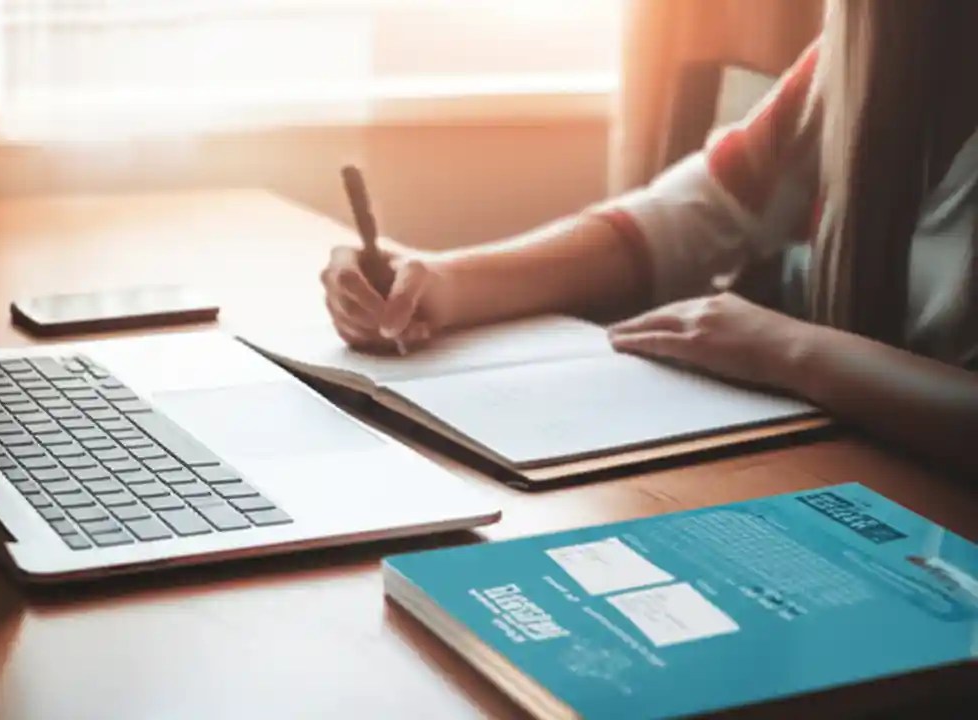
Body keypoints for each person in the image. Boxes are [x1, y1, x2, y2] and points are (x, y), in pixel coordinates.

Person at [319, 1, 978, 475]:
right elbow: (680, 222)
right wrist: (446, 281)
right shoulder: (861, 55)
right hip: (864, 486)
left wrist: (788, 349)